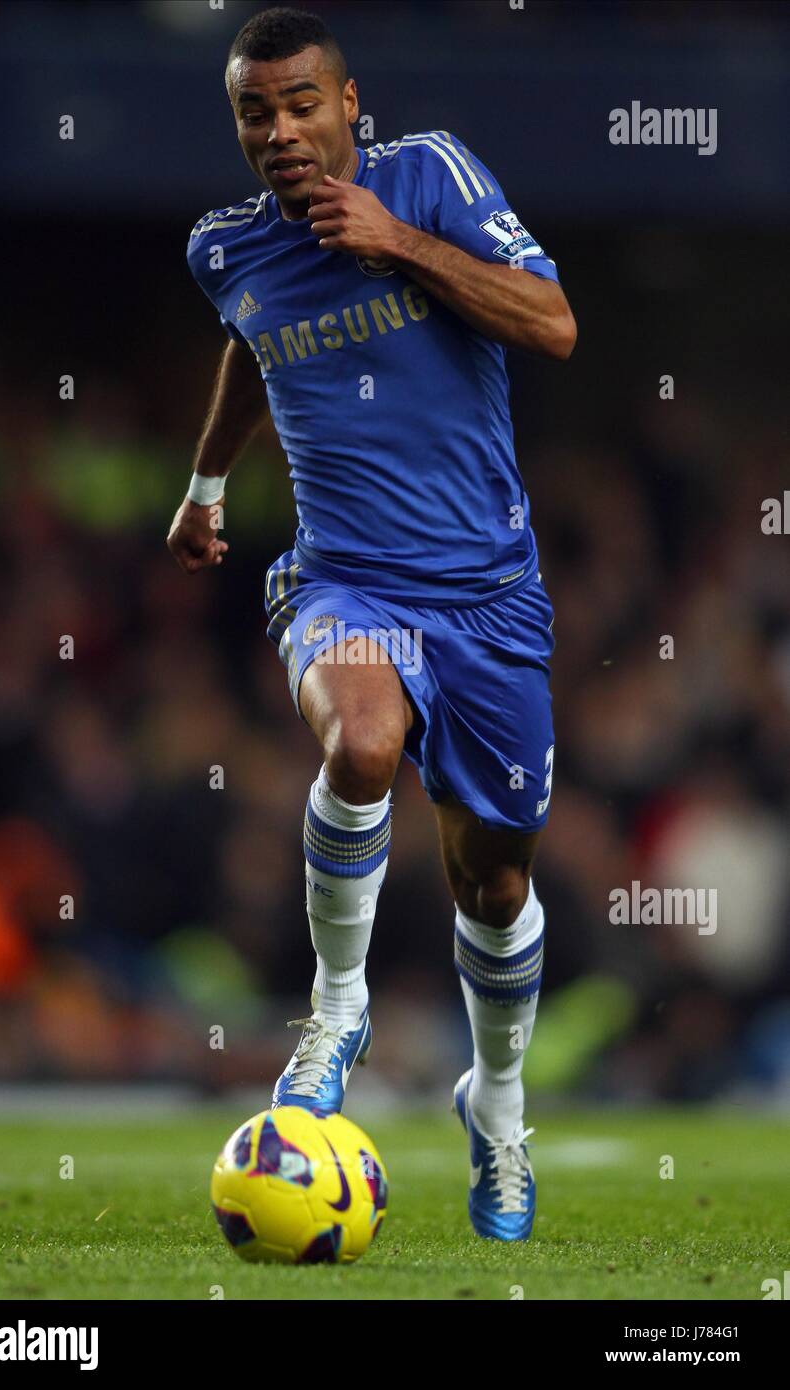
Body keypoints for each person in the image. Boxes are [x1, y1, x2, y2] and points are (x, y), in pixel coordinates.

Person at [168, 6, 576, 1242]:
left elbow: (551, 323)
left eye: (302, 103)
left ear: (352, 104)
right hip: (346, 579)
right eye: (256, 110)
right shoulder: (225, 249)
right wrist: (203, 486)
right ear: (237, 123)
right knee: (359, 744)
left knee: (494, 884)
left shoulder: (431, 177)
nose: (281, 129)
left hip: (490, 597)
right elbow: (254, 347)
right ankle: (336, 1009)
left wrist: (397, 243)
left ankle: (495, 1105)